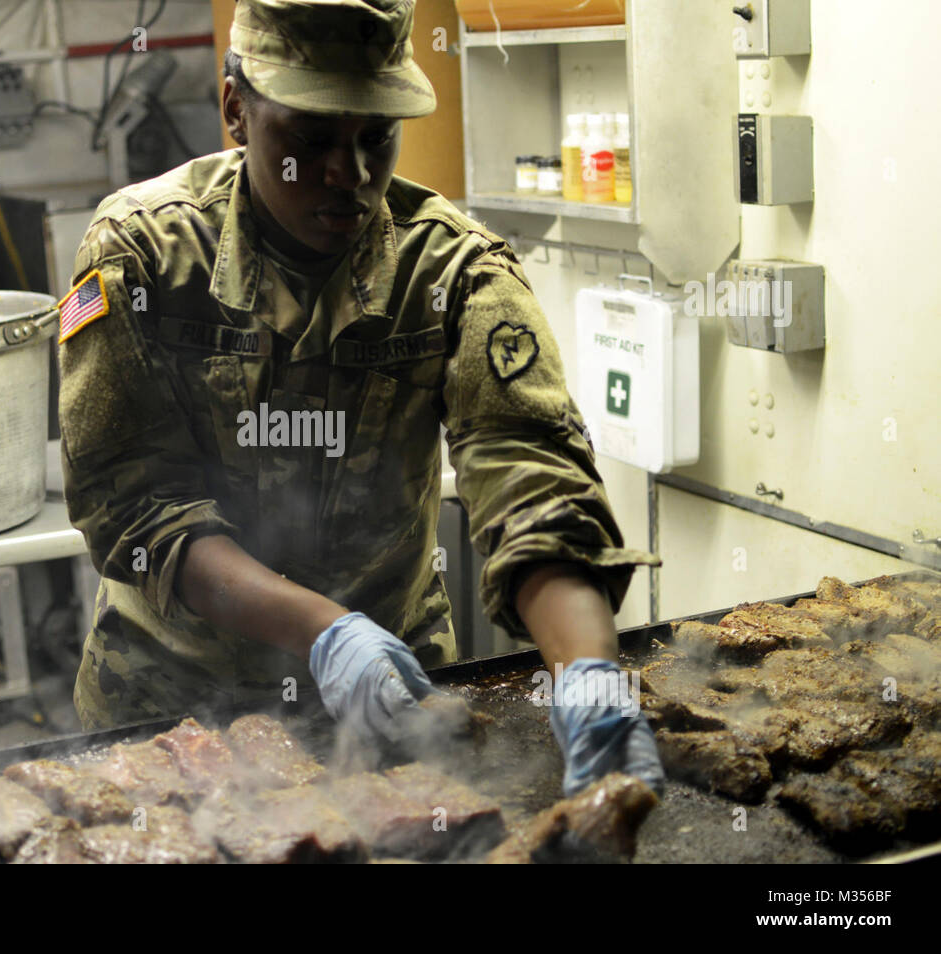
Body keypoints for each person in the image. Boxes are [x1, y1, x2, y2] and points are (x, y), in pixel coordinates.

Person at [57, 0, 663, 796]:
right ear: (237, 109)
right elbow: (135, 510)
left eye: (375, 136)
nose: (350, 174)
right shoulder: (143, 257)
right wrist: (323, 630)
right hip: (175, 718)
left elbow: (534, 485)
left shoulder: (454, 272)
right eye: (309, 140)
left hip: (394, 708)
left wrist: (588, 675)